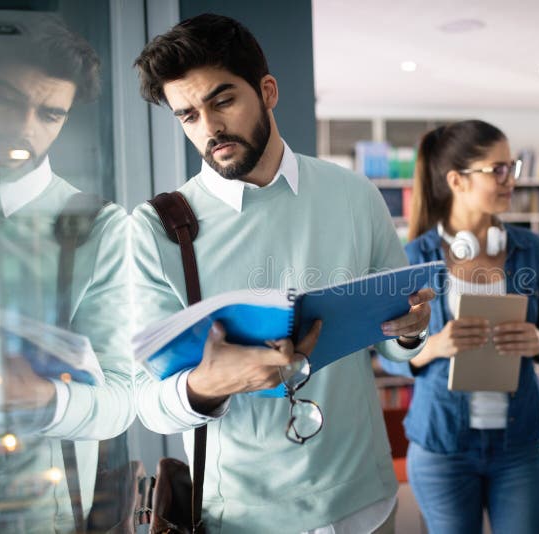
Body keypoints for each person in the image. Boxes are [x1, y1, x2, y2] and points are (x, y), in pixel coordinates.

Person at [131, 14, 433, 534]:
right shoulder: (157, 229)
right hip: (245, 517)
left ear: (267, 91)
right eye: (188, 115)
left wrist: (409, 331)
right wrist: (209, 384)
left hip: (367, 499)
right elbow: (146, 401)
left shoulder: (355, 194)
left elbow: (394, 342)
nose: (209, 128)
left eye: (222, 101)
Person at [378, 120, 539, 534]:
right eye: (497, 169)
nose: (510, 179)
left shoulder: (529, 249)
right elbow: (387, 352)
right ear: (457, 181)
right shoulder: (414, 257)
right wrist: (432, 346)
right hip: (442, 445)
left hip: (518, 443)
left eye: (511, 168)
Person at [0, 13, 133, 531]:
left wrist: (45, 399)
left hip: (31, 513)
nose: (25, 130)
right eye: (8, 101)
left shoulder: (98, 228)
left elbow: (122, 399)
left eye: (50, 114)